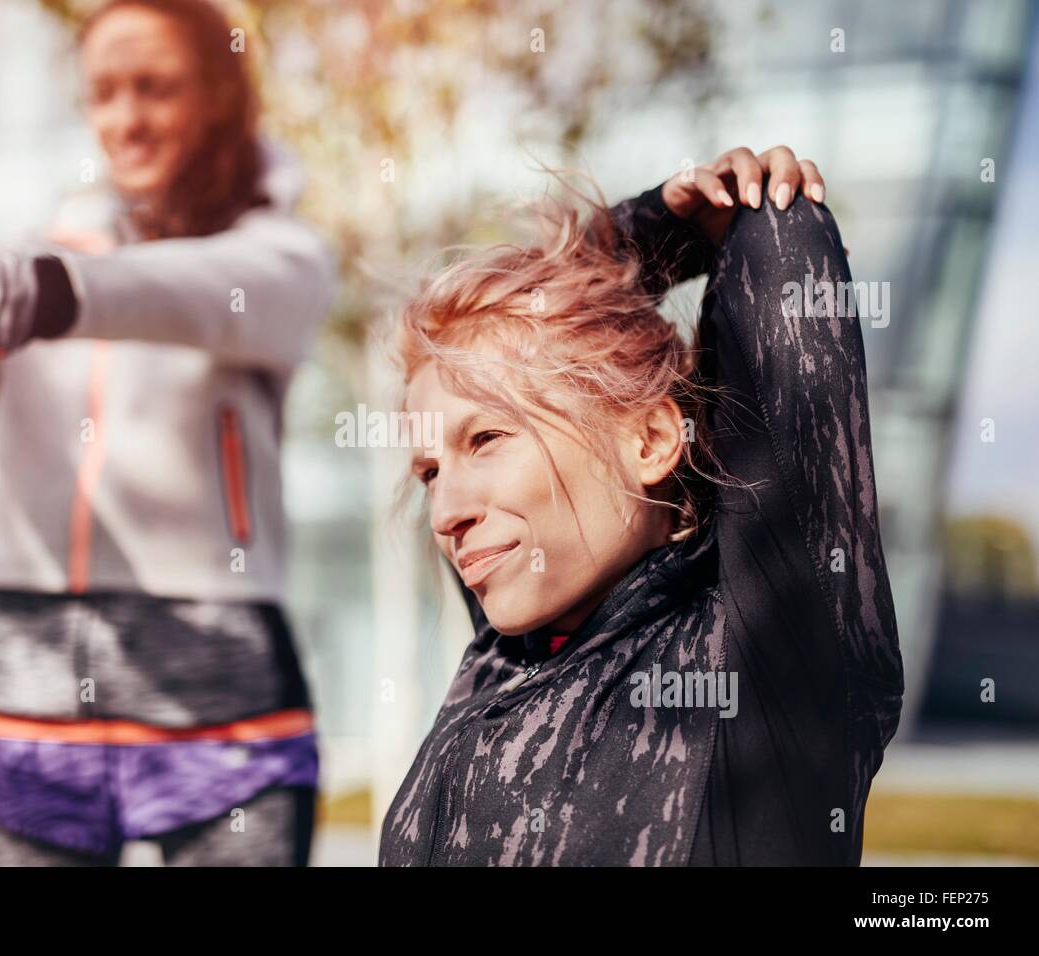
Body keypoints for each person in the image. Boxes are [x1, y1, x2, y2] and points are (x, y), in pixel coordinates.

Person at [0, 0, 335, 866]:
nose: (125, 118)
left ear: (219, 99)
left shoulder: (278, 253)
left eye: (155, 89)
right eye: (103, 92)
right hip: (27, 647)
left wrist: (36, 291)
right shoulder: (43, 243)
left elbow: (161, 288)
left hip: (211, 656)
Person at [378, 147, 905, 866]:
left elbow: (778, 246)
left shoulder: (762, 652)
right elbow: (542, 287)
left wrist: (705, 219)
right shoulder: (500, 657)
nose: (446, 511)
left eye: (488, 436)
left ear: (652, 438)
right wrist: (649, 230)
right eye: (431, 470)